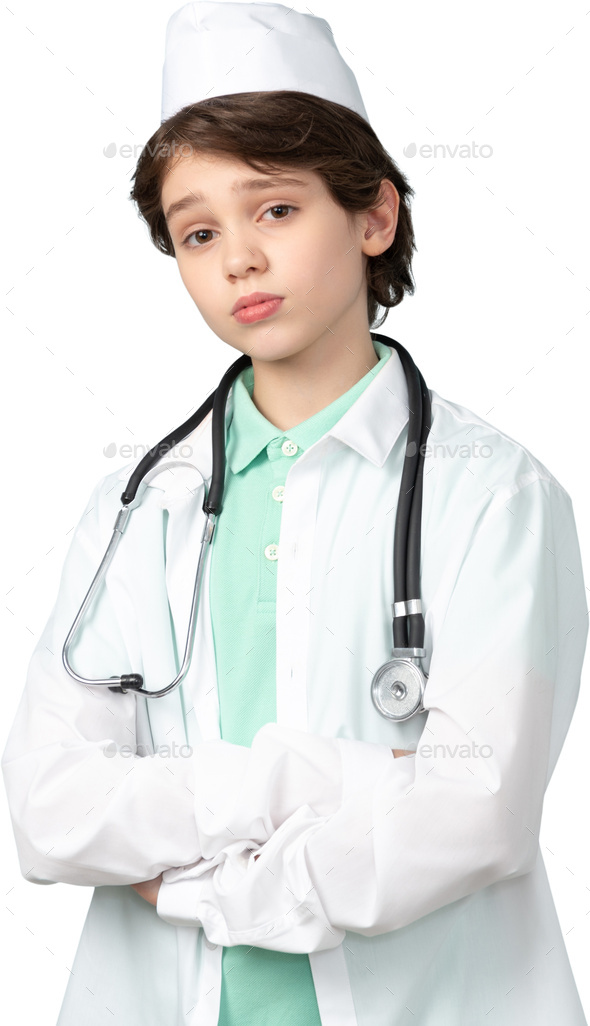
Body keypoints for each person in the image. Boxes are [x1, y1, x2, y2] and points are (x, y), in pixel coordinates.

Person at [2, 2, 588, 1024]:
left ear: (373, 216)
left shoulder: (491, 493)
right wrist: (330, 784)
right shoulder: (136, 506)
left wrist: (202, 882)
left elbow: (474, 813)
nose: (237, 259)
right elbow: (50, 814)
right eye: (197, 231)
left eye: (274, 210)